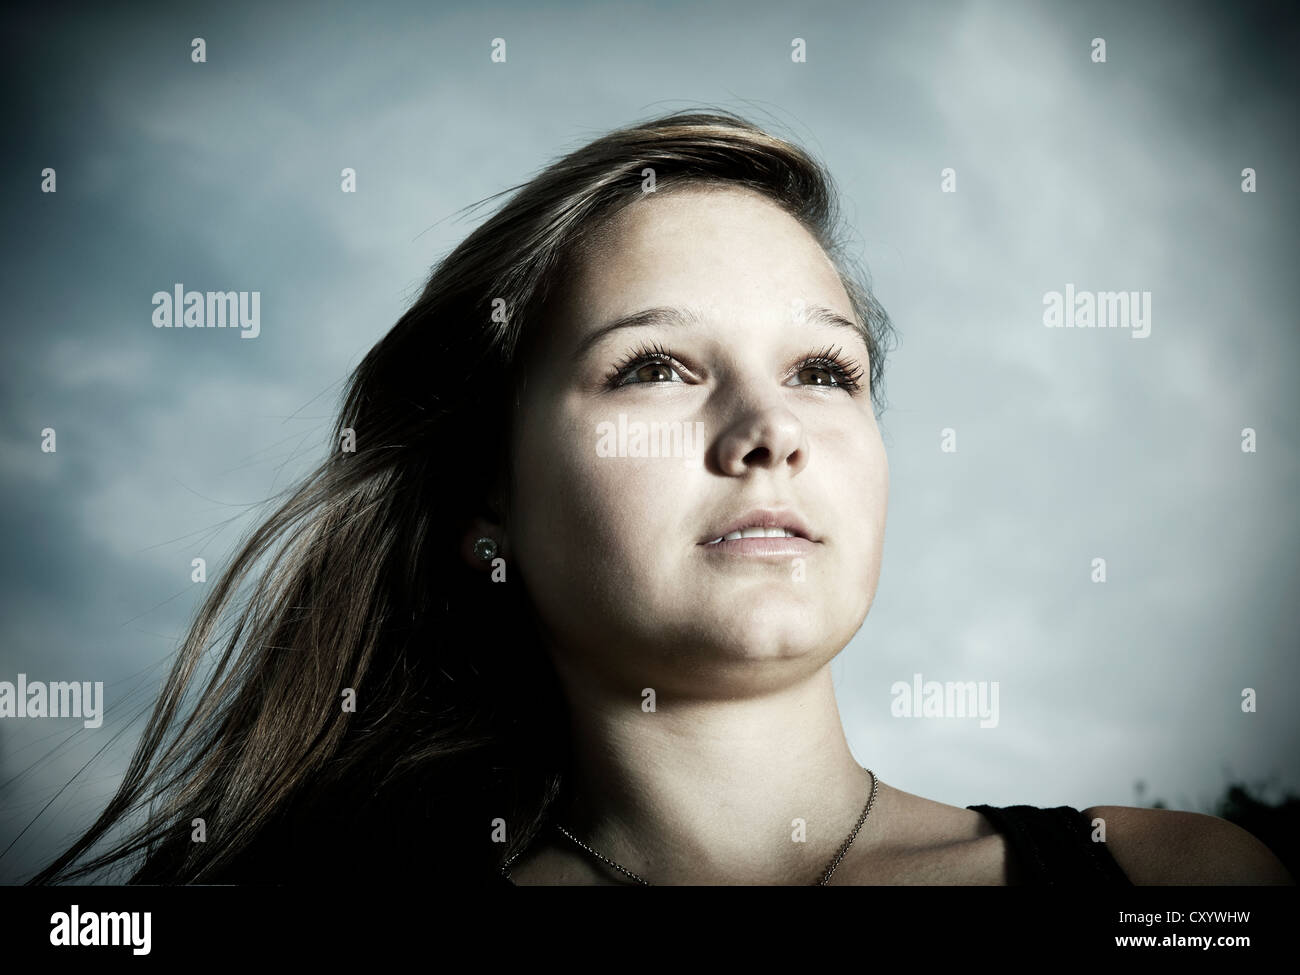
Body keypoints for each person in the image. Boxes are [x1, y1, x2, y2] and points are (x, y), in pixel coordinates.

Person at [27, 110, 1292, 887]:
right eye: (654, 368)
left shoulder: (1171, 887)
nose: (769, 433)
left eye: (823, 371)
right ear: (490, 504)